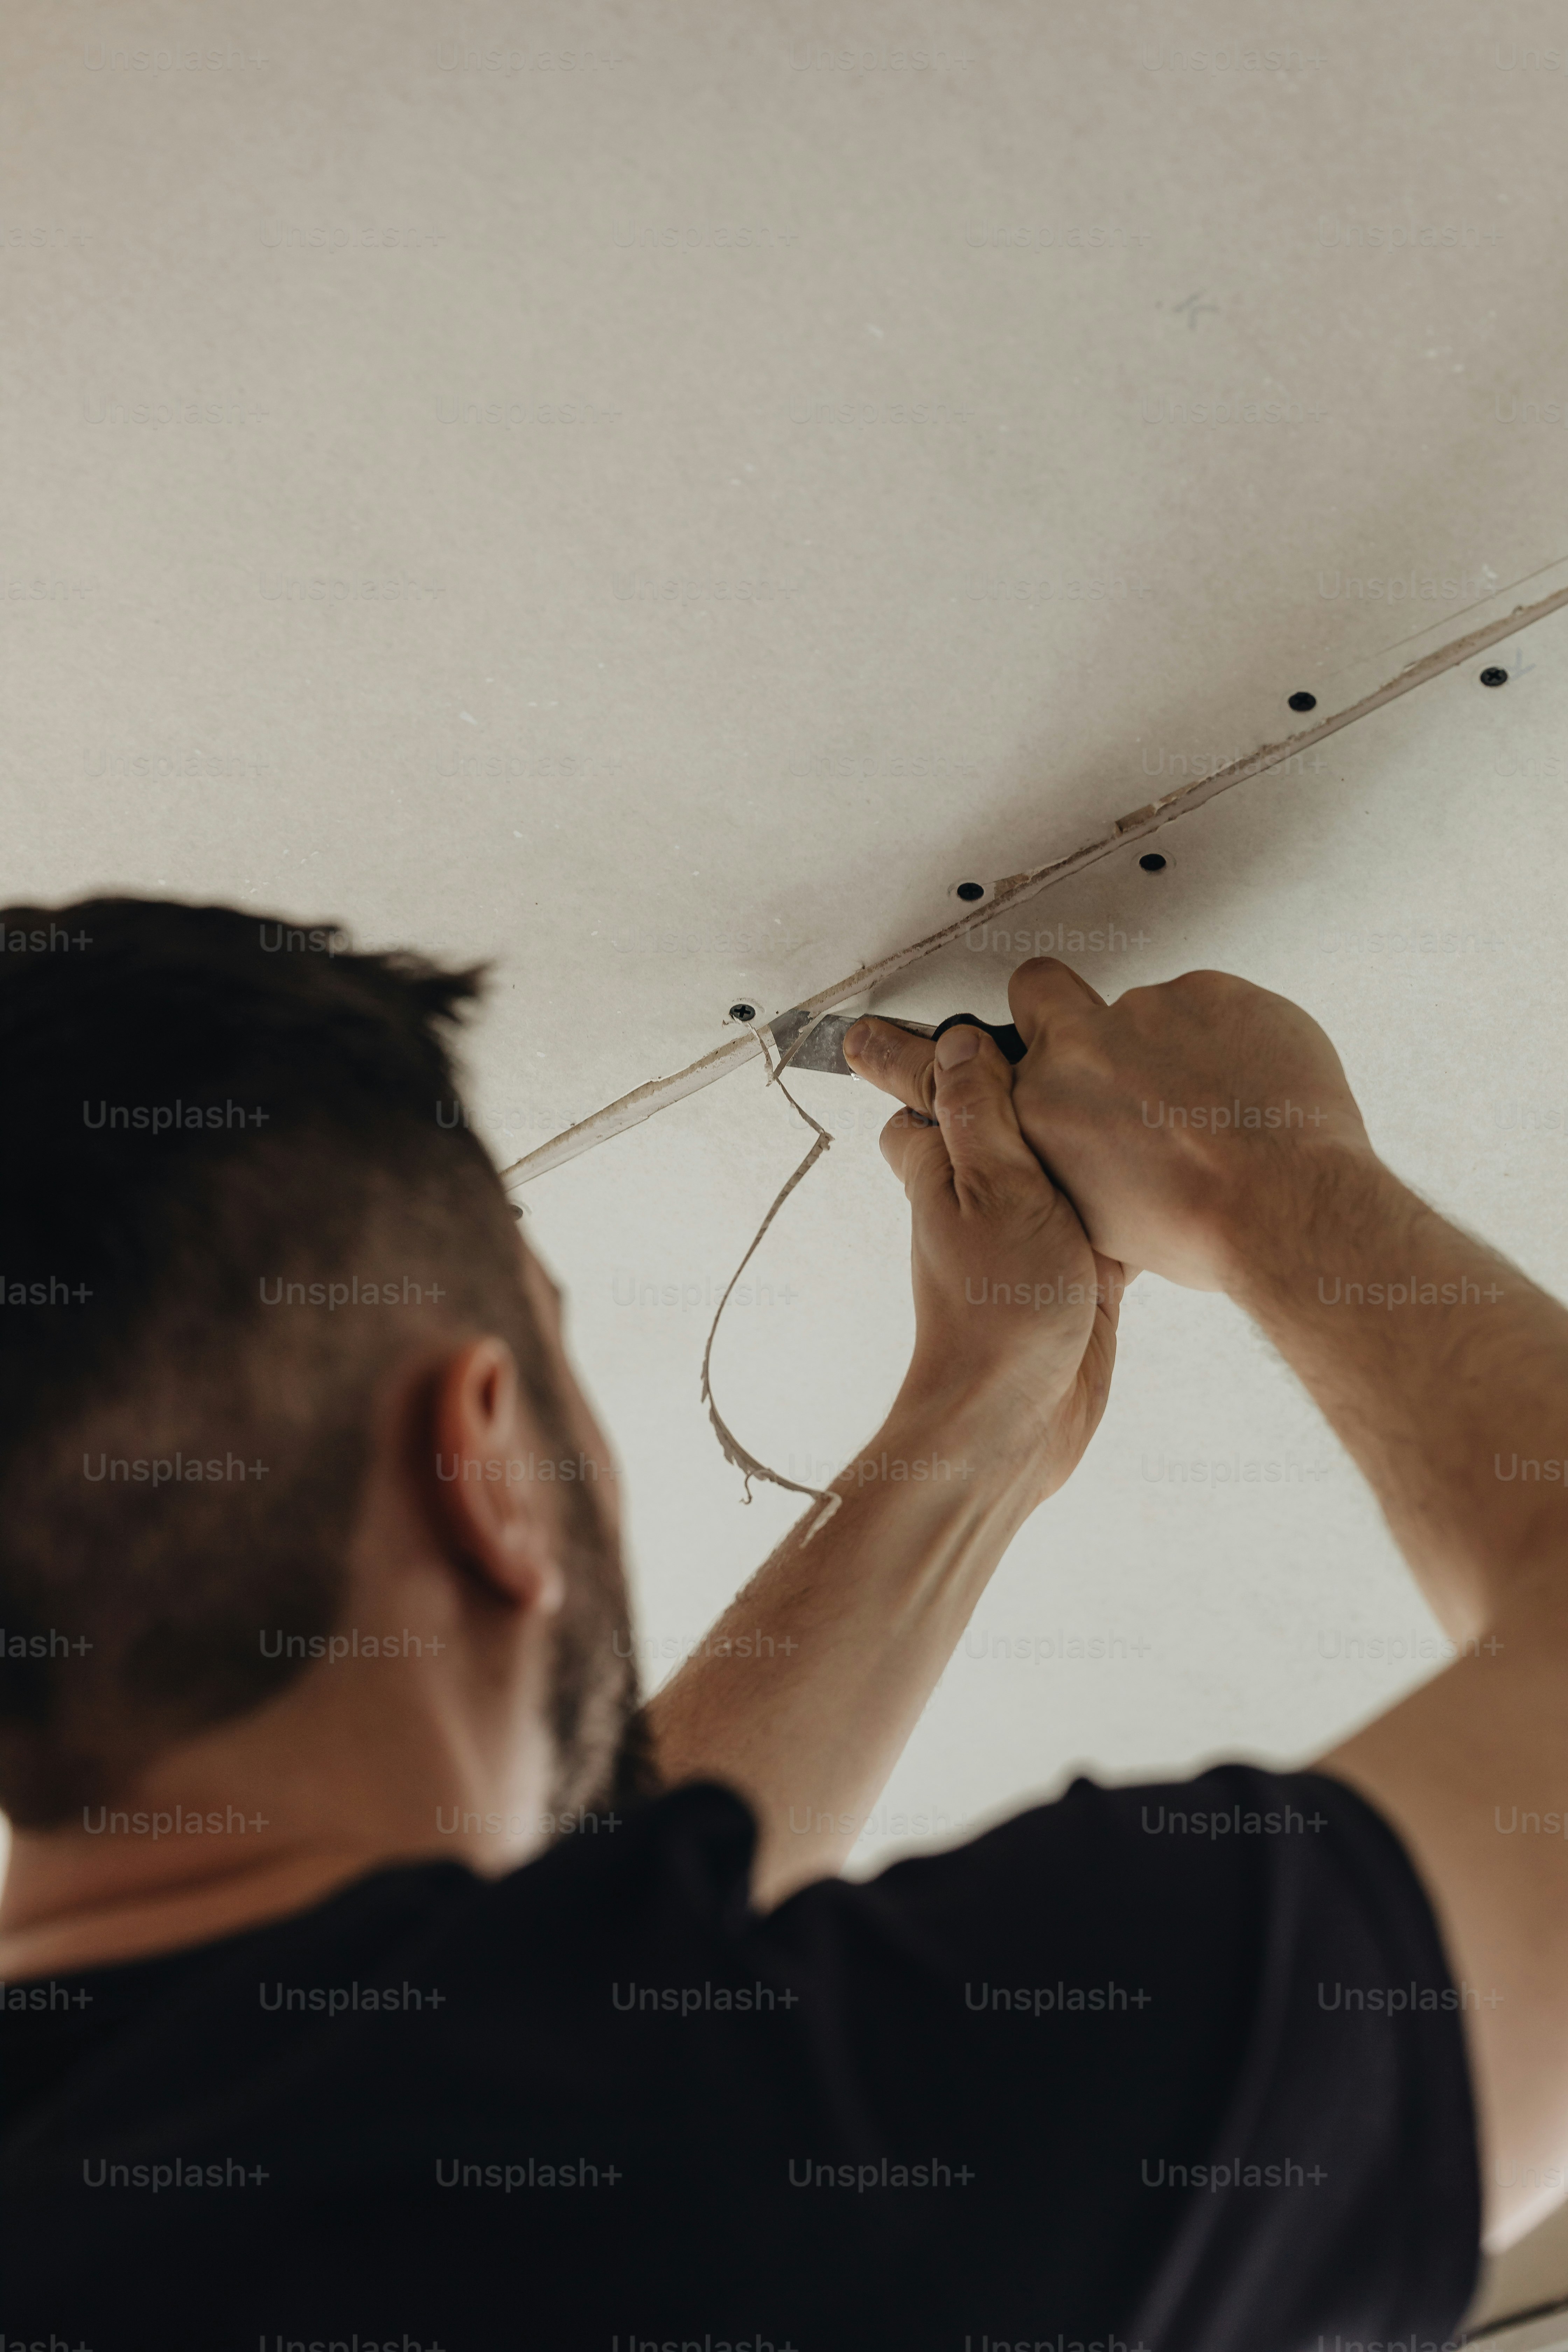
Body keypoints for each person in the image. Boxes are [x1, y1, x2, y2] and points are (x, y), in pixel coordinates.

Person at [0, 898, 1553, 2349]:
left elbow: (554, 2020)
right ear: (482, 1467)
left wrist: (975, 1422)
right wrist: (1267, 1184)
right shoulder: (779, 2175)